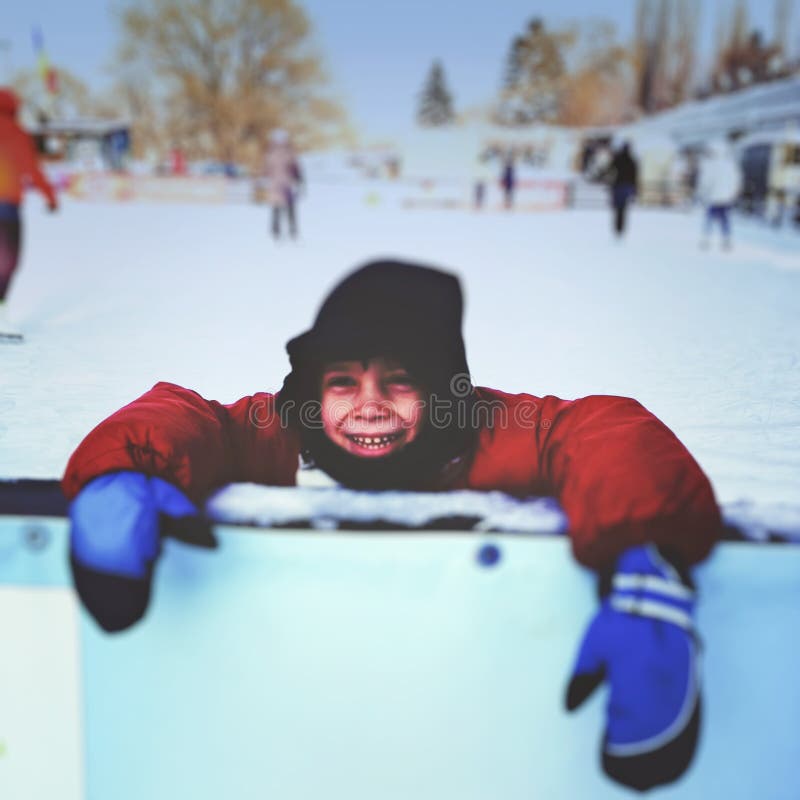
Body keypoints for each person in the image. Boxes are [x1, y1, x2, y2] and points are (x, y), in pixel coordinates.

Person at [63, 260, 721, 791]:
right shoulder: (284, 433)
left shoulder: (487, 431)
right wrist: (128, 469)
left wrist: (644, 554)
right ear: (311, 392)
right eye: (343, 383)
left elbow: (603, 428)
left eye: (400, 382)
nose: (369, 407)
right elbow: (188, 416)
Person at [0, 88, 58, 340]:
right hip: (7, 208)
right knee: (7, 261)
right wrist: (50, 197)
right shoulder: (18, 134)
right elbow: (32, 170)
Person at [697, 140, 743, 250]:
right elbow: (737, 180)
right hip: (726, 198)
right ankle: (726, 241)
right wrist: (733, 193)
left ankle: (706, 240)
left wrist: (702, 194)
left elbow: (705, 181)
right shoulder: (731, 165)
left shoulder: (711, 165)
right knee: (725, 219)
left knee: (709, 219)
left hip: (714, 197)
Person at [263, 129, 303, 240]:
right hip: (285, 184)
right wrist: (299, 180)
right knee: (287, 208)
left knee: (278, 208)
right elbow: (295, 168)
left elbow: (267, 170)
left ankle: (278, 231)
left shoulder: (270, 153)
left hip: (277, 184)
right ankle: (291, 231)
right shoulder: (288, 152)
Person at [607, 141, 639, 237]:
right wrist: (634, 189)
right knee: (623, 208)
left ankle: (617, 228)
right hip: (626, 187)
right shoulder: (632, 160)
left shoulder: (618, 158)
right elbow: (635, 176)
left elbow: (610, 169)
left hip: (618, 185)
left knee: (617, 208)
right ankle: (621, 228)